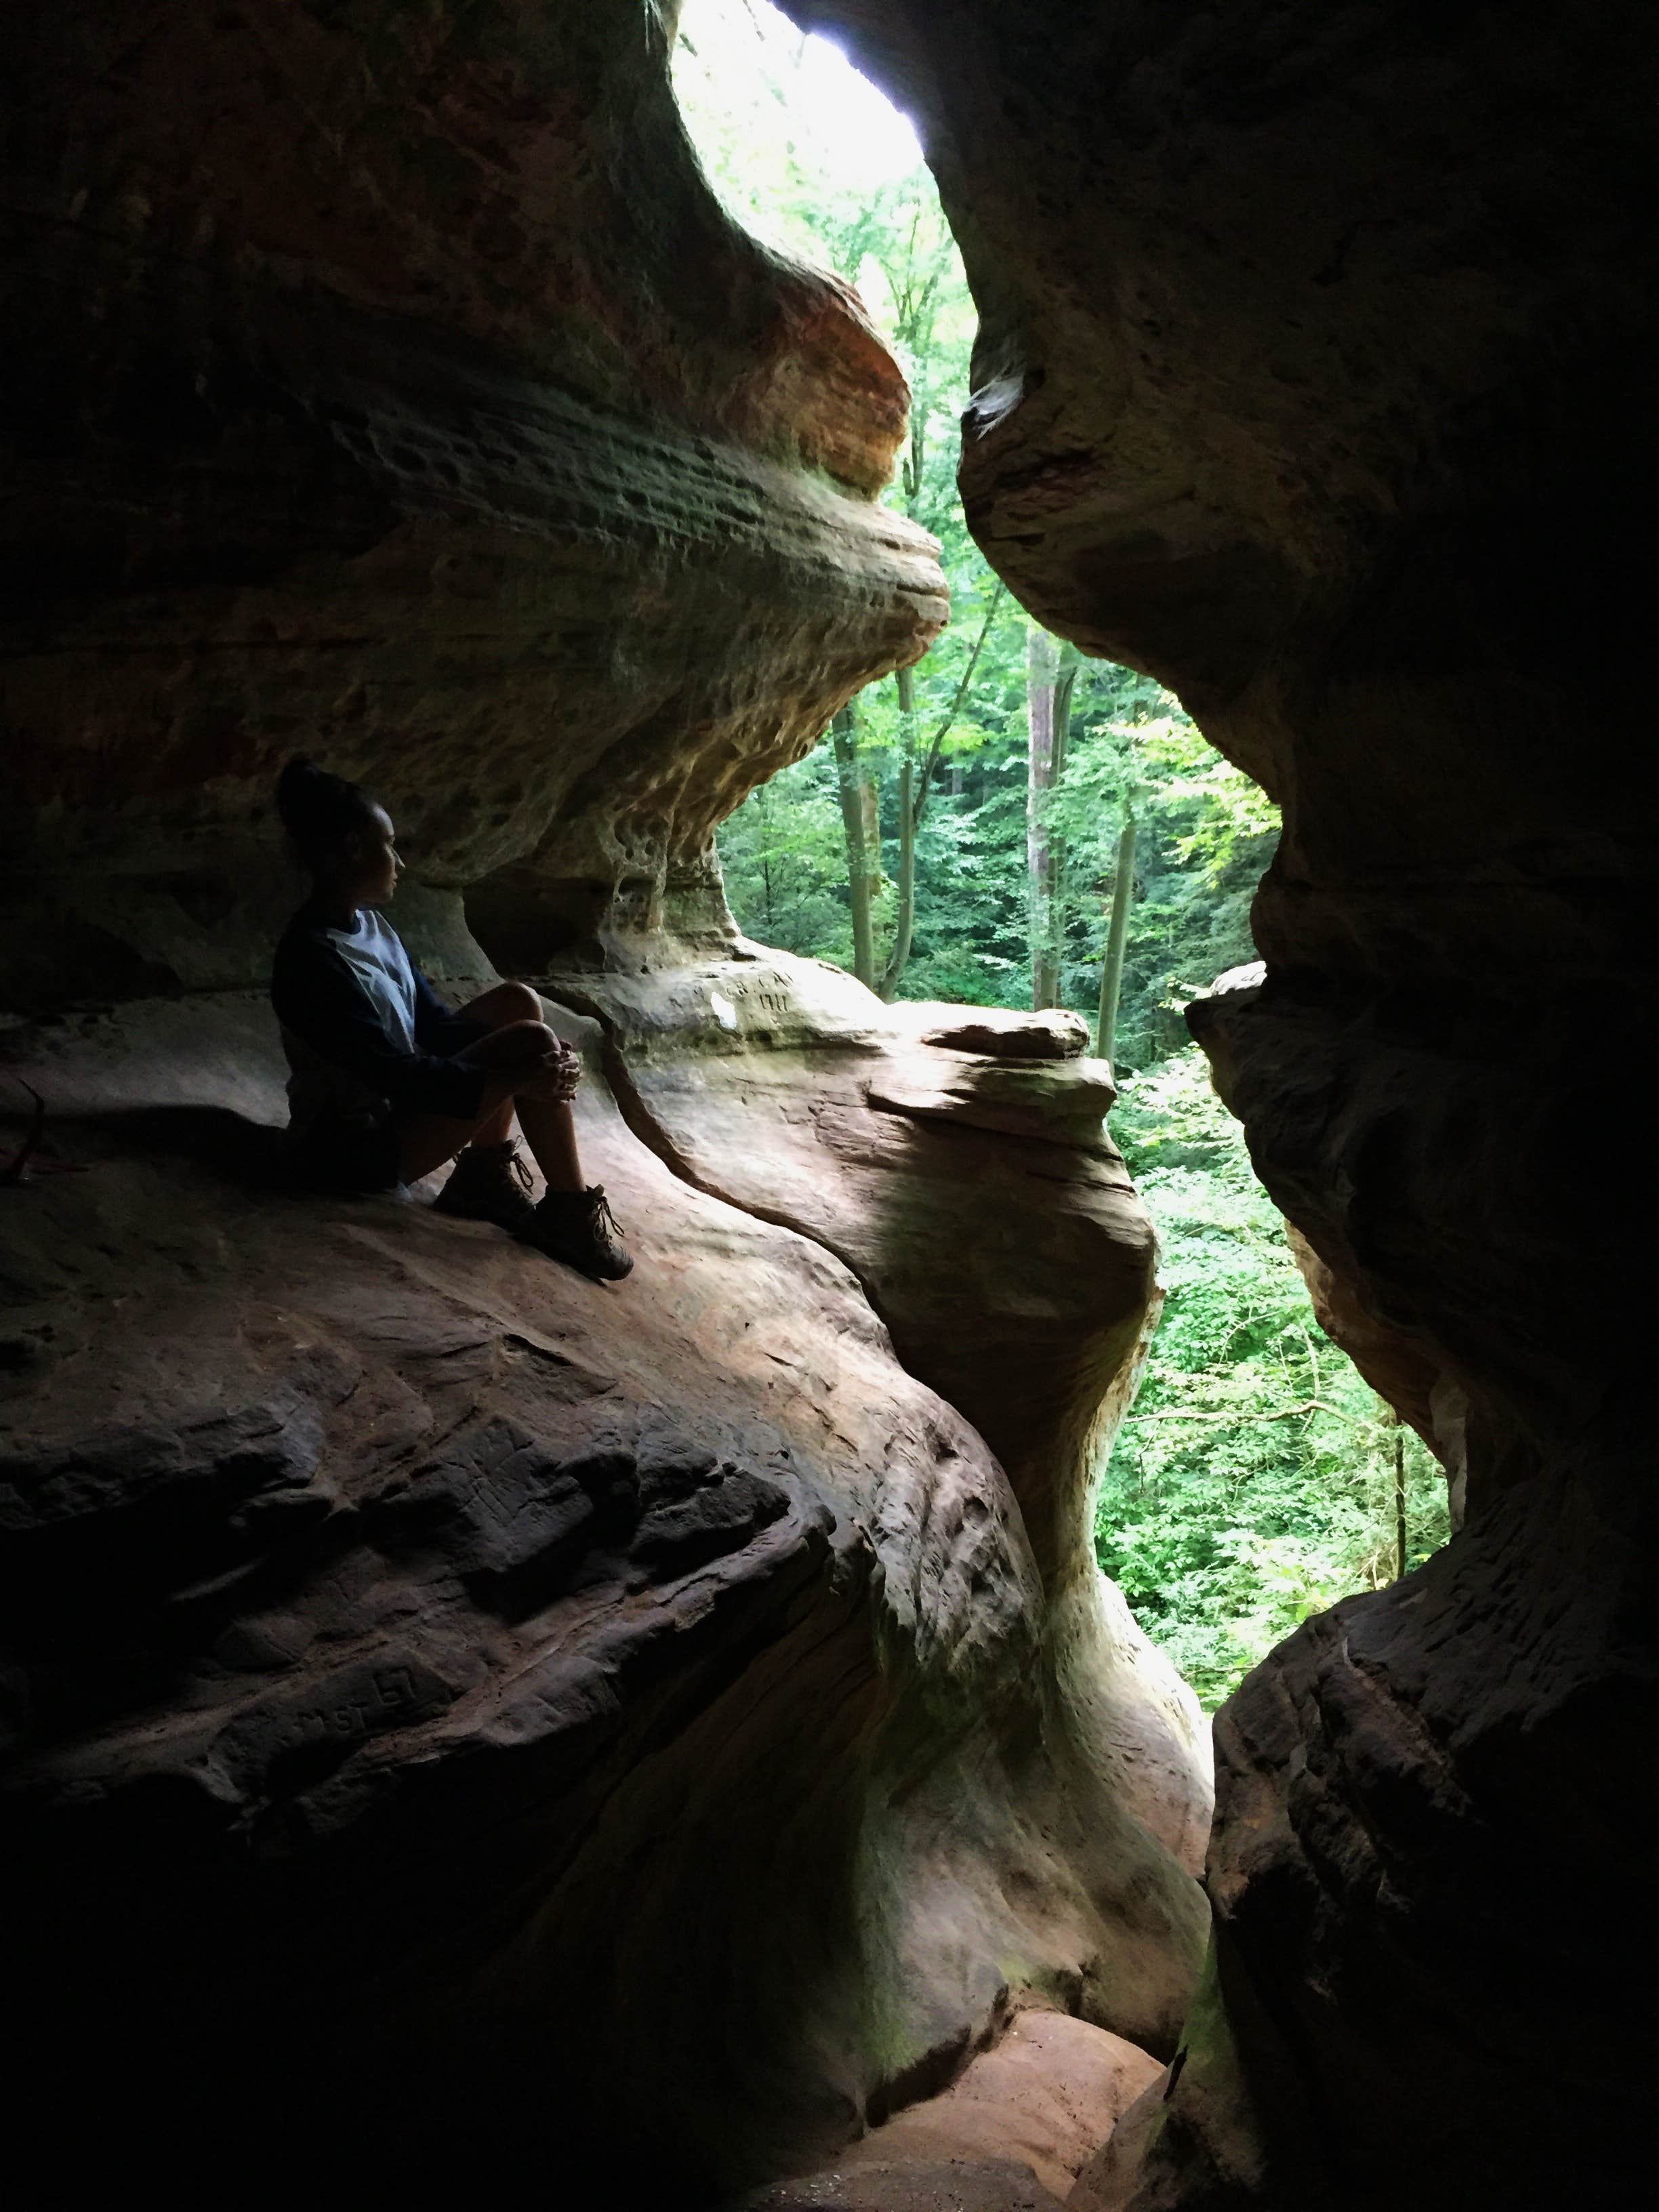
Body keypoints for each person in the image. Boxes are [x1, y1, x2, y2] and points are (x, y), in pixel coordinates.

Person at [269, 756, 632, 1282]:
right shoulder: (312, 959)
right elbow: (395, 1074)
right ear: (352, 850)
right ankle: (566, 1212)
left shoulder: (372, 927)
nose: (400, 861)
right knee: (529, 1041)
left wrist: (545, 1059)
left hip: (398, 1111)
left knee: (518, 1005)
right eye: (388, 845)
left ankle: (483, 1176)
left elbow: (435, 1028)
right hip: (351, 1151)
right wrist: (517, 1076)